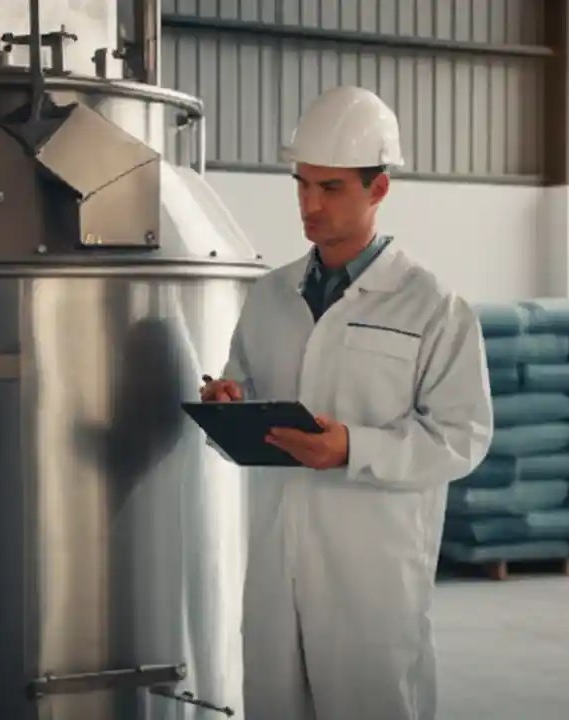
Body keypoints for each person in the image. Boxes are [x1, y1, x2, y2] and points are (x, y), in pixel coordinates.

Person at [201, 86, 494, 720]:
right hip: (276, 553)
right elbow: (244, 382)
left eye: (330, 188)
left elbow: (462, 437)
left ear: (378, 189)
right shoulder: (271, 295)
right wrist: (228, 402)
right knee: (273, 703)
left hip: (372, 567)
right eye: (302, 185)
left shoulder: (432, 307)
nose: (309, 204)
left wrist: (351, 449)